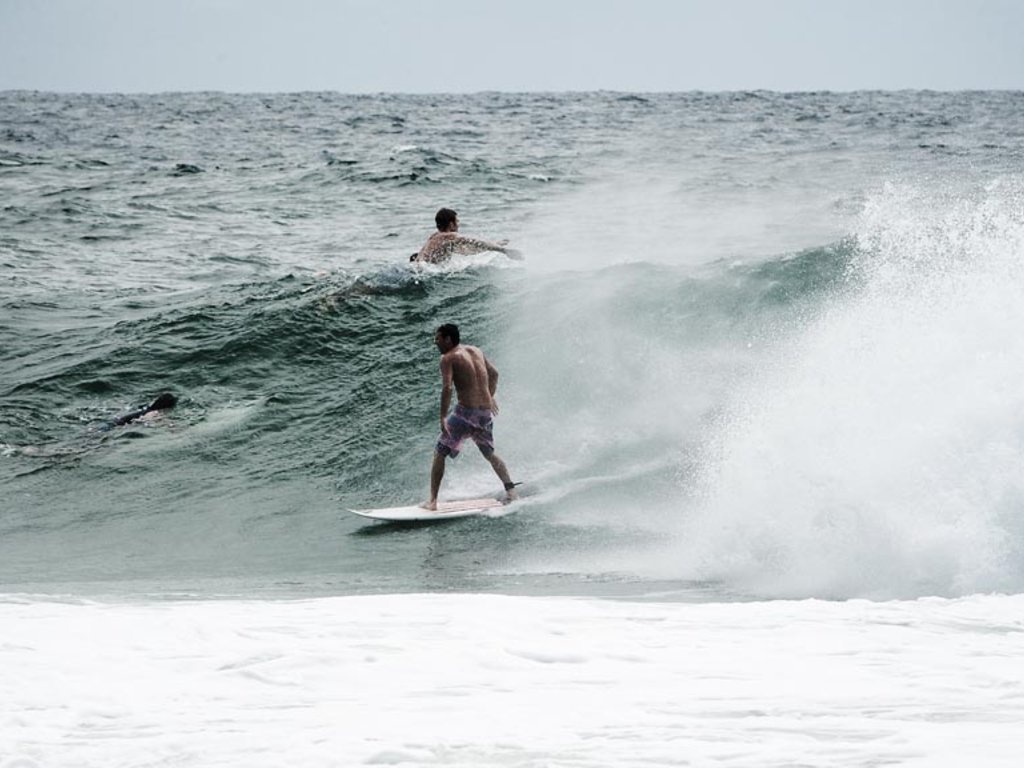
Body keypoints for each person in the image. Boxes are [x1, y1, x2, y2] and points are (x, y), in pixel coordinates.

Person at [423, 323, 517, 510]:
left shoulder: (447, 358)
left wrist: (442, 416)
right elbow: (495, 374)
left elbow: (447, 387)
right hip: (484, 414)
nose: (435, 342)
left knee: (440, 451)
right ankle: (511, 491)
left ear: (448, 339)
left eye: (438, 338)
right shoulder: (475, 350)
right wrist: (490, 396)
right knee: (489, 453)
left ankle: (432, 502)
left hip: (465, 414)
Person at [411, 208, 520, 264]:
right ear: (451, 224)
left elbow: (468, 251)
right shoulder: (449, 236)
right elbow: (474, 242)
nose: (459, 224)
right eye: (457, 221)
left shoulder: (435, 237)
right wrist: (504, 251)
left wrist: (494, 245)